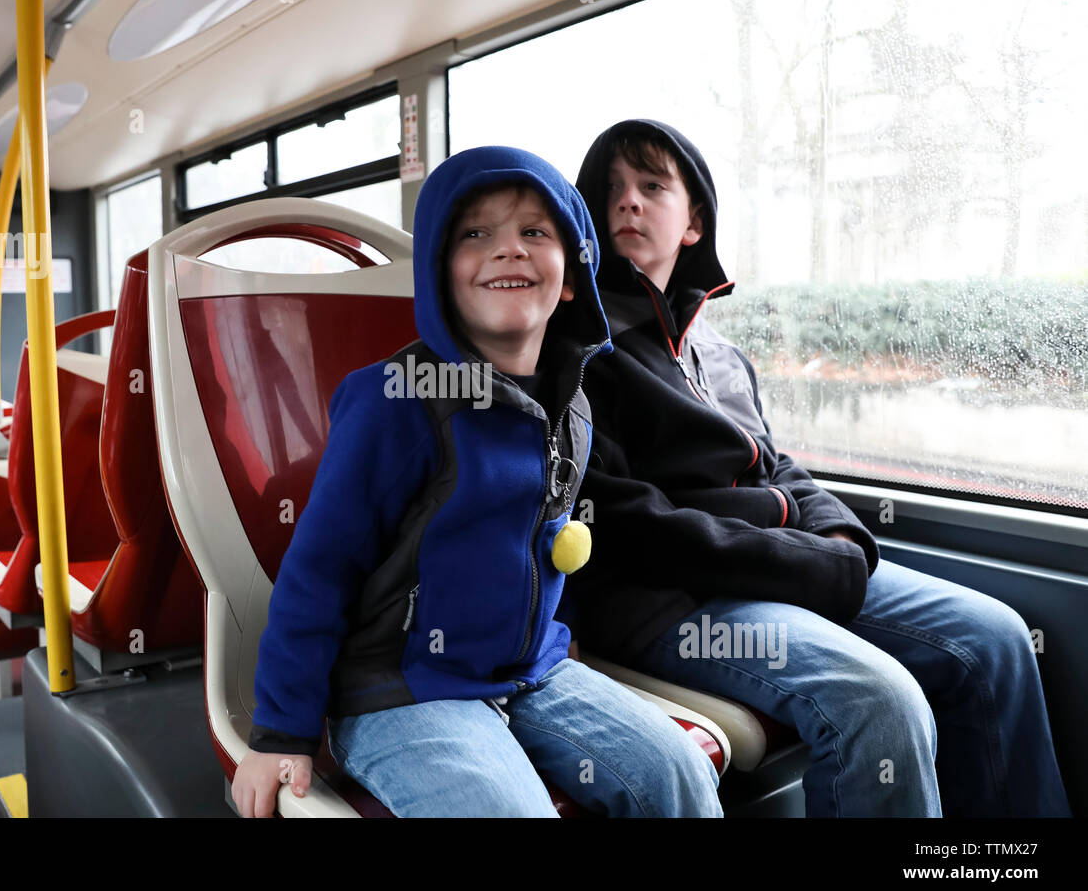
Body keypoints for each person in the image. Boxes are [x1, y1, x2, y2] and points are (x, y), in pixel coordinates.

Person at [567, 118, 1071, 817]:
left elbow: (781, 468)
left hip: (779, 562)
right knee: (880, 702)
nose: (628, 202)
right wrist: (802, 563)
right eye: (610, 191)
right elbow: (629, 525)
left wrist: (840, 539)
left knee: (997, 639)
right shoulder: (579, 350)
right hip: (672, 602)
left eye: (652, 187)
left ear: (693, 223)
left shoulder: (716, 350)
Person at [230, 146, 723, 818]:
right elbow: (319, 571)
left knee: (680, 775)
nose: (508, 250)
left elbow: (547, 539)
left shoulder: (573, 405)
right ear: (439, 275)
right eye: (476, 234)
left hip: (532, 672)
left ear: (573, 274)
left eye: (534, 233)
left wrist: (561, 630)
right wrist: (281, 731)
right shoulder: (396, 400)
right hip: (403, 688)